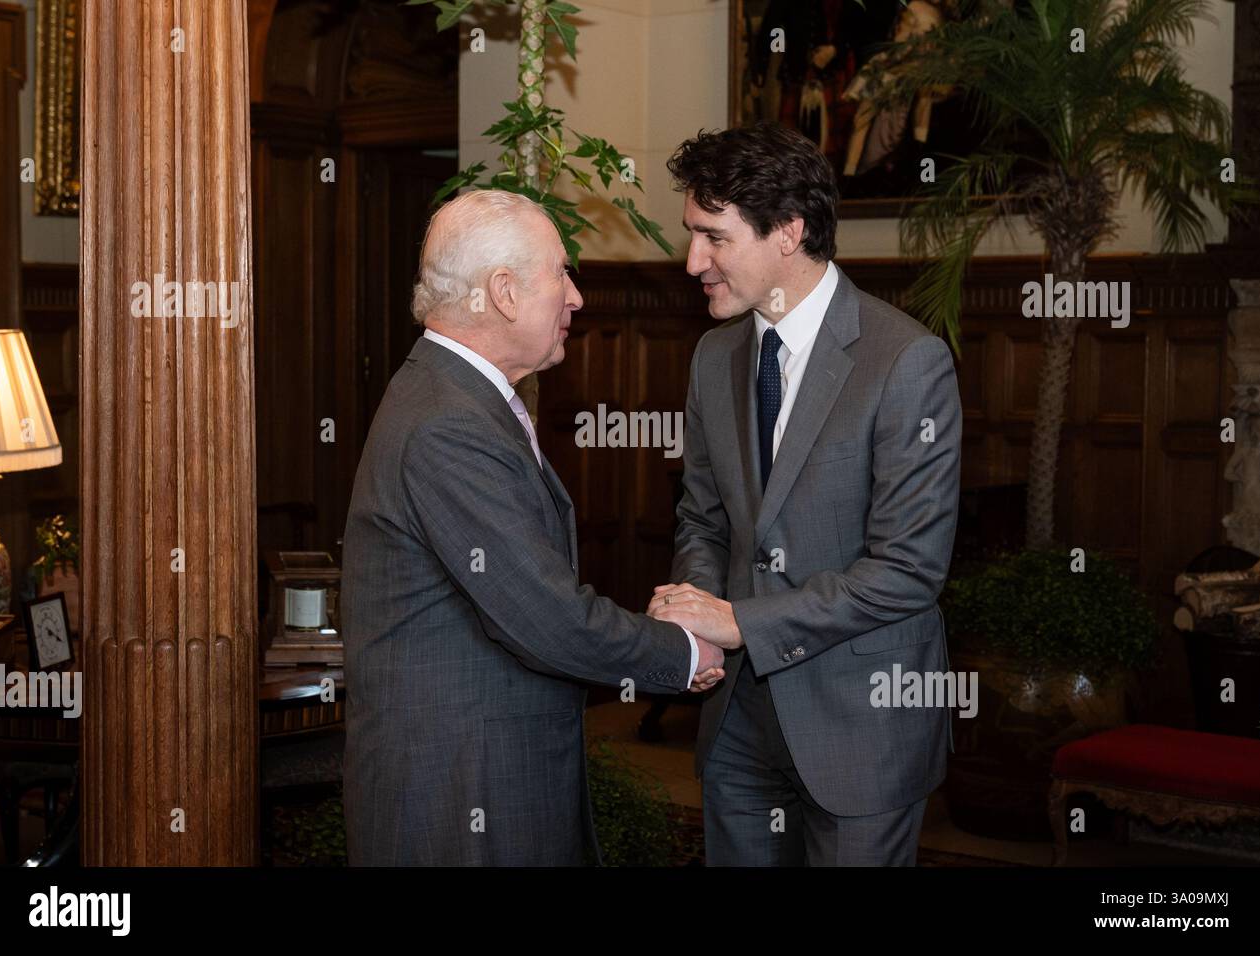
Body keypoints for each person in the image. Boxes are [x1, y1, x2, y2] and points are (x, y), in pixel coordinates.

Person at [341, 189, 724, 866]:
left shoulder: (455, 395)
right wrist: (685, 652)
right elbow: (543, 617)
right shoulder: (449, 423)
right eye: (561, 273)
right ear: (505, 292)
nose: (576, 297)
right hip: (461, 799)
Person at [650, 122, 962, 865]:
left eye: (714, 237)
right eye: (692, 233)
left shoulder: (907, 363)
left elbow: (908, 572)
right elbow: (703, 516)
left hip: (861, 726)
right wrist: (697, 616)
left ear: (788, 232)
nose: (692, 260)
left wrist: (739, 620)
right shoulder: (712, 355)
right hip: (735, 725)